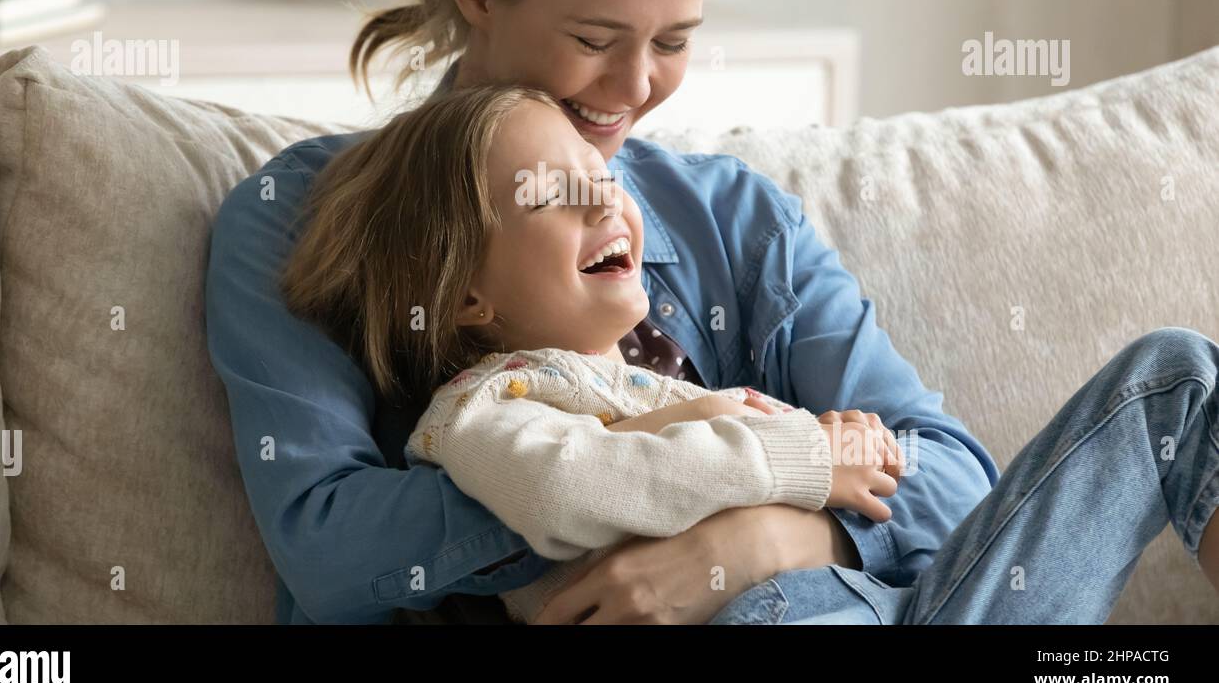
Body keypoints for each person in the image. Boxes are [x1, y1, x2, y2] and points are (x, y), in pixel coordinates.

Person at [204, 0, 1219, 624]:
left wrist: (754, 536)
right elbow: (330, 544)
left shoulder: (734, 218)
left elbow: (950, 477)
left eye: (675, 40)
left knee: (1176, 382)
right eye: (596, 37)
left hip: (895, 609)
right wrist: (694, 490)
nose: (636, 85)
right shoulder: (307, 211)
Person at [275, 82, 909, 624]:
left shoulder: (652, 382)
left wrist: (838, 440)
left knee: (1013, 500)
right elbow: (564, 489)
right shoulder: (487, 401)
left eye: (602, 176)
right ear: (467, 296)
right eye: (550, 195)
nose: (604, 198)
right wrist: (801, 455)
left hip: (842, 598)